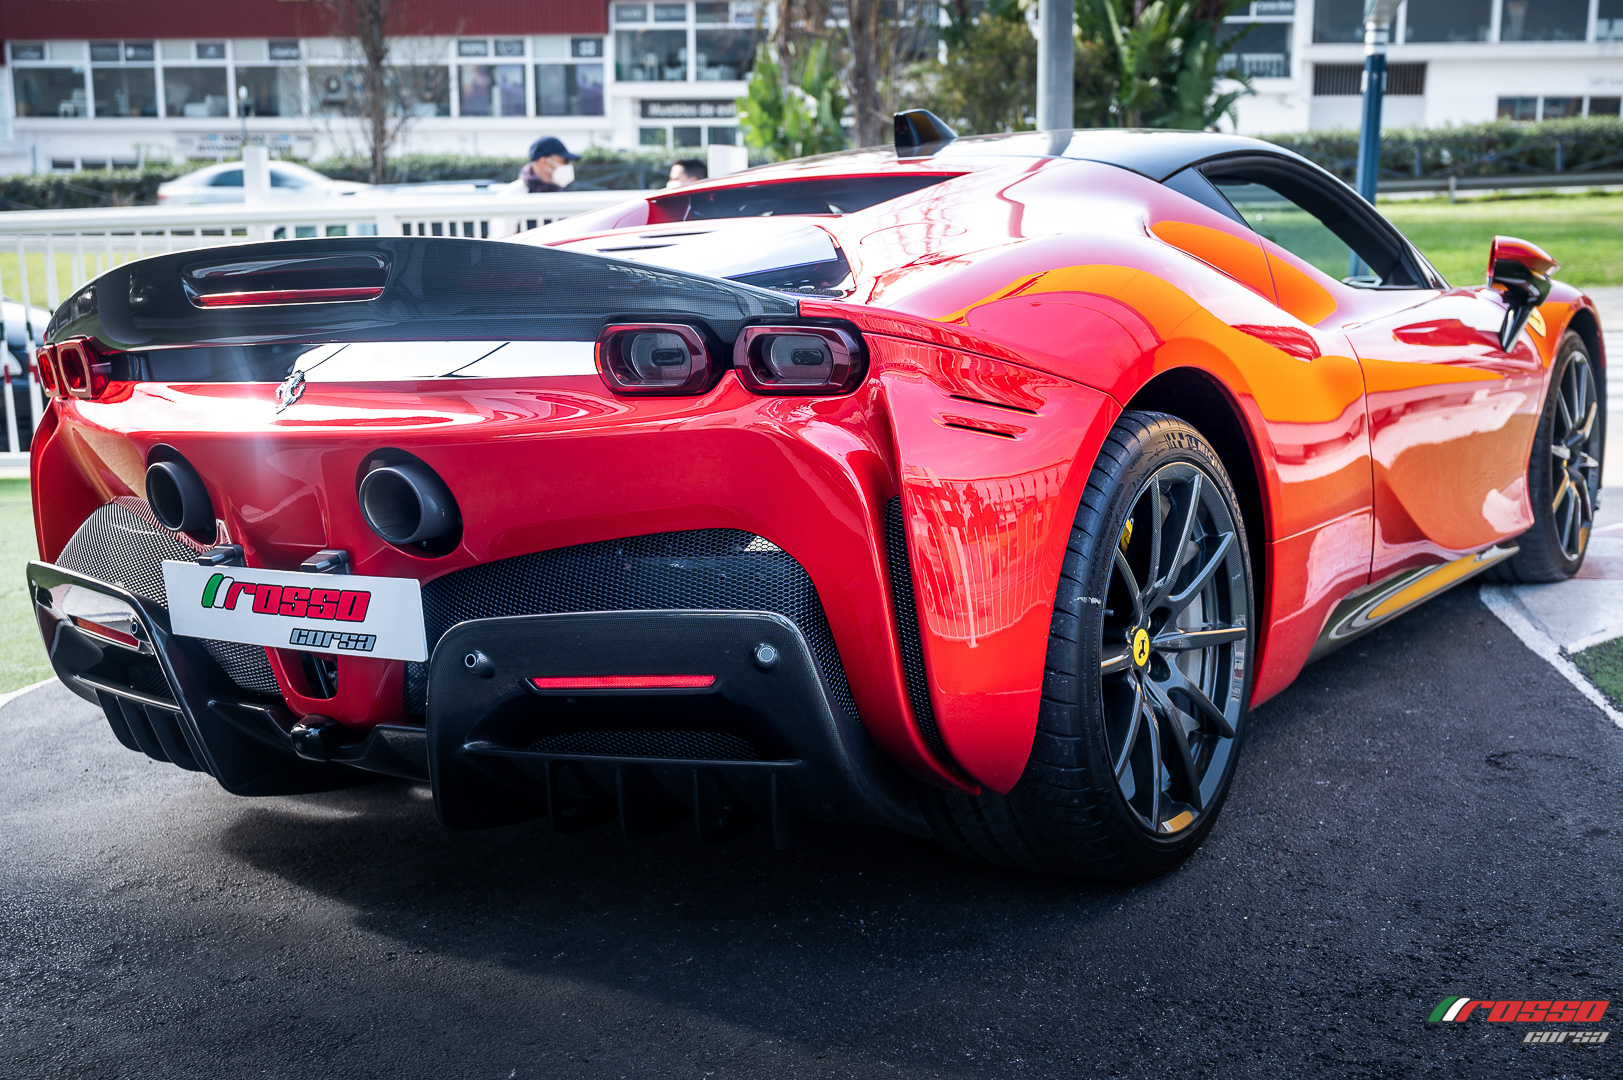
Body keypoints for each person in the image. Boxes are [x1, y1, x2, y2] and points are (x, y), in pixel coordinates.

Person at [510, 136, 580, 193]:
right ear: (544, 162)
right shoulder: (515, 195)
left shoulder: (563, 193)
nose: (568, 166)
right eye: (565, 161)